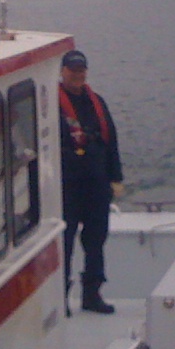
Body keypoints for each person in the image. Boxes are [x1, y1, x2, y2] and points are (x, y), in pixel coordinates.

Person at [58, 49, 124, 314]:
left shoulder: (98, 102)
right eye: (72, 69)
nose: (77, 74)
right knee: (64, 243)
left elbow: (112, 142)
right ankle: (59, 297)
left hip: (97, 185)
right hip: (66, 187)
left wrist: (116, 178)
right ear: (62, 71)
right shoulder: (51, 104)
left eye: (81, 70)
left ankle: (92, 294)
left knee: (96, 242)